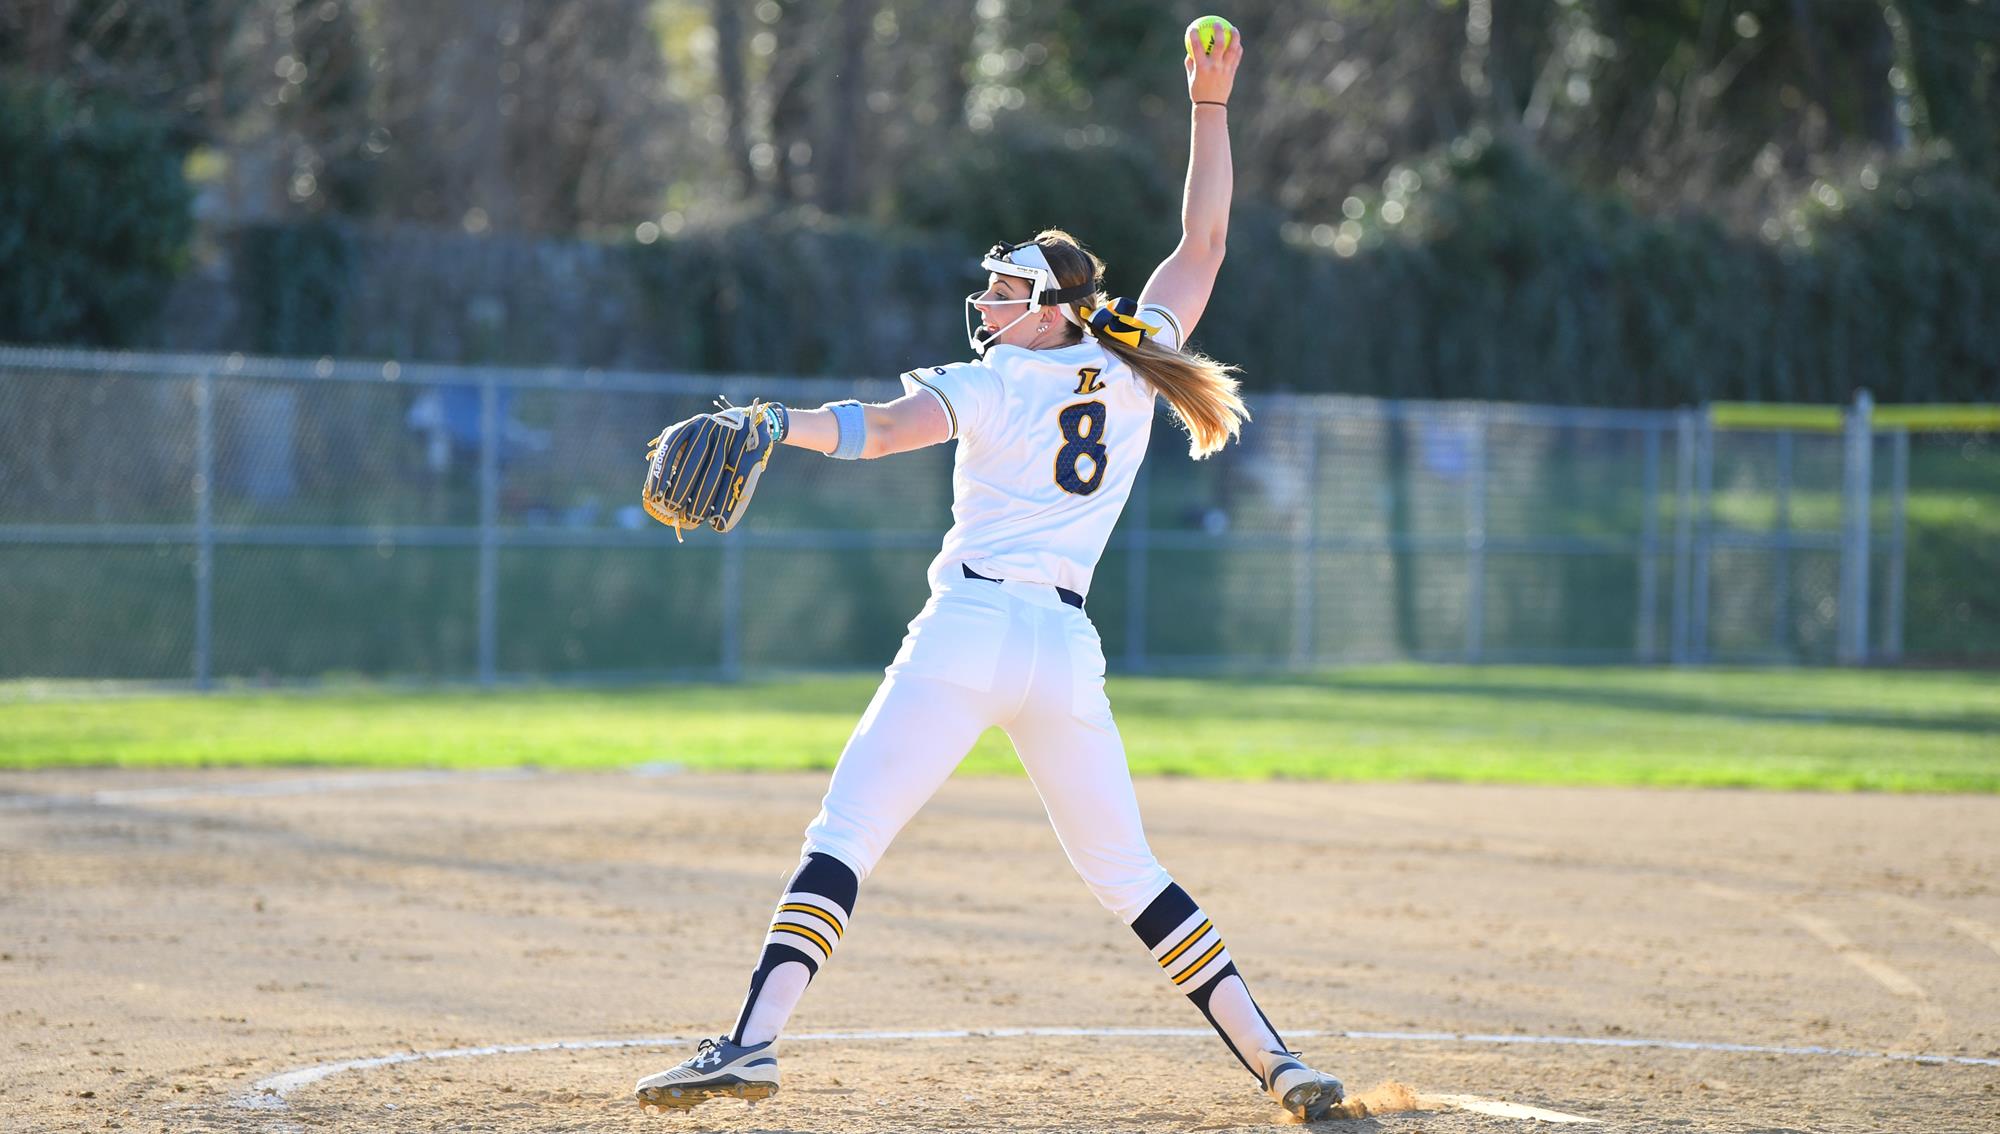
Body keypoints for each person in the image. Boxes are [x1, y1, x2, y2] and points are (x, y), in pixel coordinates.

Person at [635, 25, 1346, 1123]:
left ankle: (749, 1044)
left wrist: (774, 422)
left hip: (965, 633)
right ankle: (1280, 1065)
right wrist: (1210, 105)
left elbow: (873, 430)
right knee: (1129, 876)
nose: (986, 305)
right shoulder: (1127, 364)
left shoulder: (993, 382)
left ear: (1051, 307)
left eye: (1005, 291)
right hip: (1061, 652)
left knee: (845, 837)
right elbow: (1202, 242)